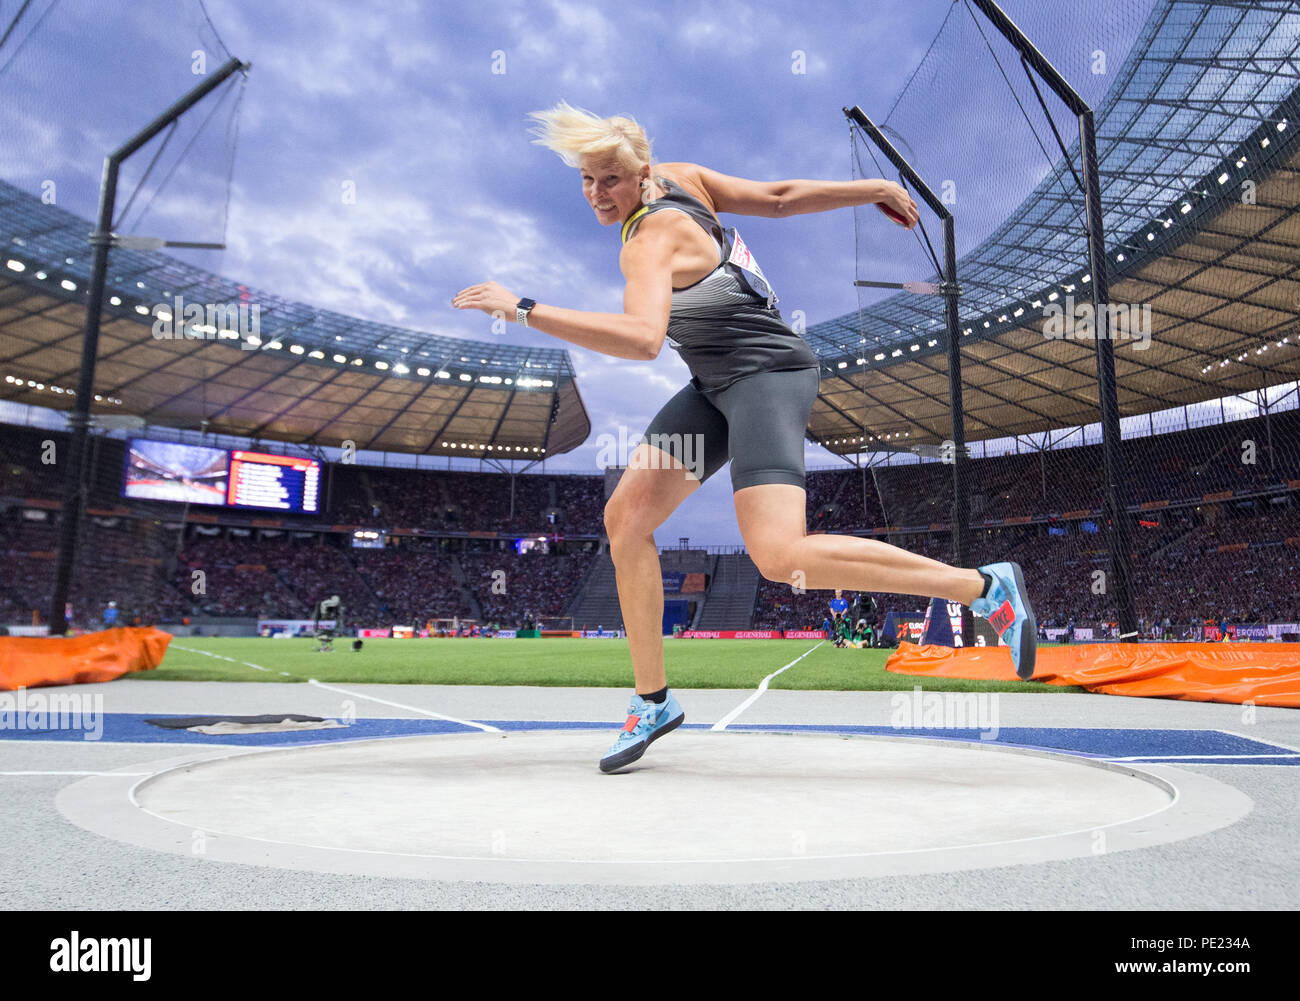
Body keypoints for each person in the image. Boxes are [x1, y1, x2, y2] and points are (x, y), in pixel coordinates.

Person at [453, 102, 1037, 773]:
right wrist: (870, 189)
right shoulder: (681, 178)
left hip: (766, 375)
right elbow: (781, 199)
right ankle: (653, 701)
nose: (595, 193)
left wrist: (524, 309)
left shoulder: (650, 240)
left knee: (779, 553)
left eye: (608, 178)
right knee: (625, 517)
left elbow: (644, 339)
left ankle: (981, 586)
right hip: (714, 387)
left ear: (639, 170)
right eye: (585, 179)